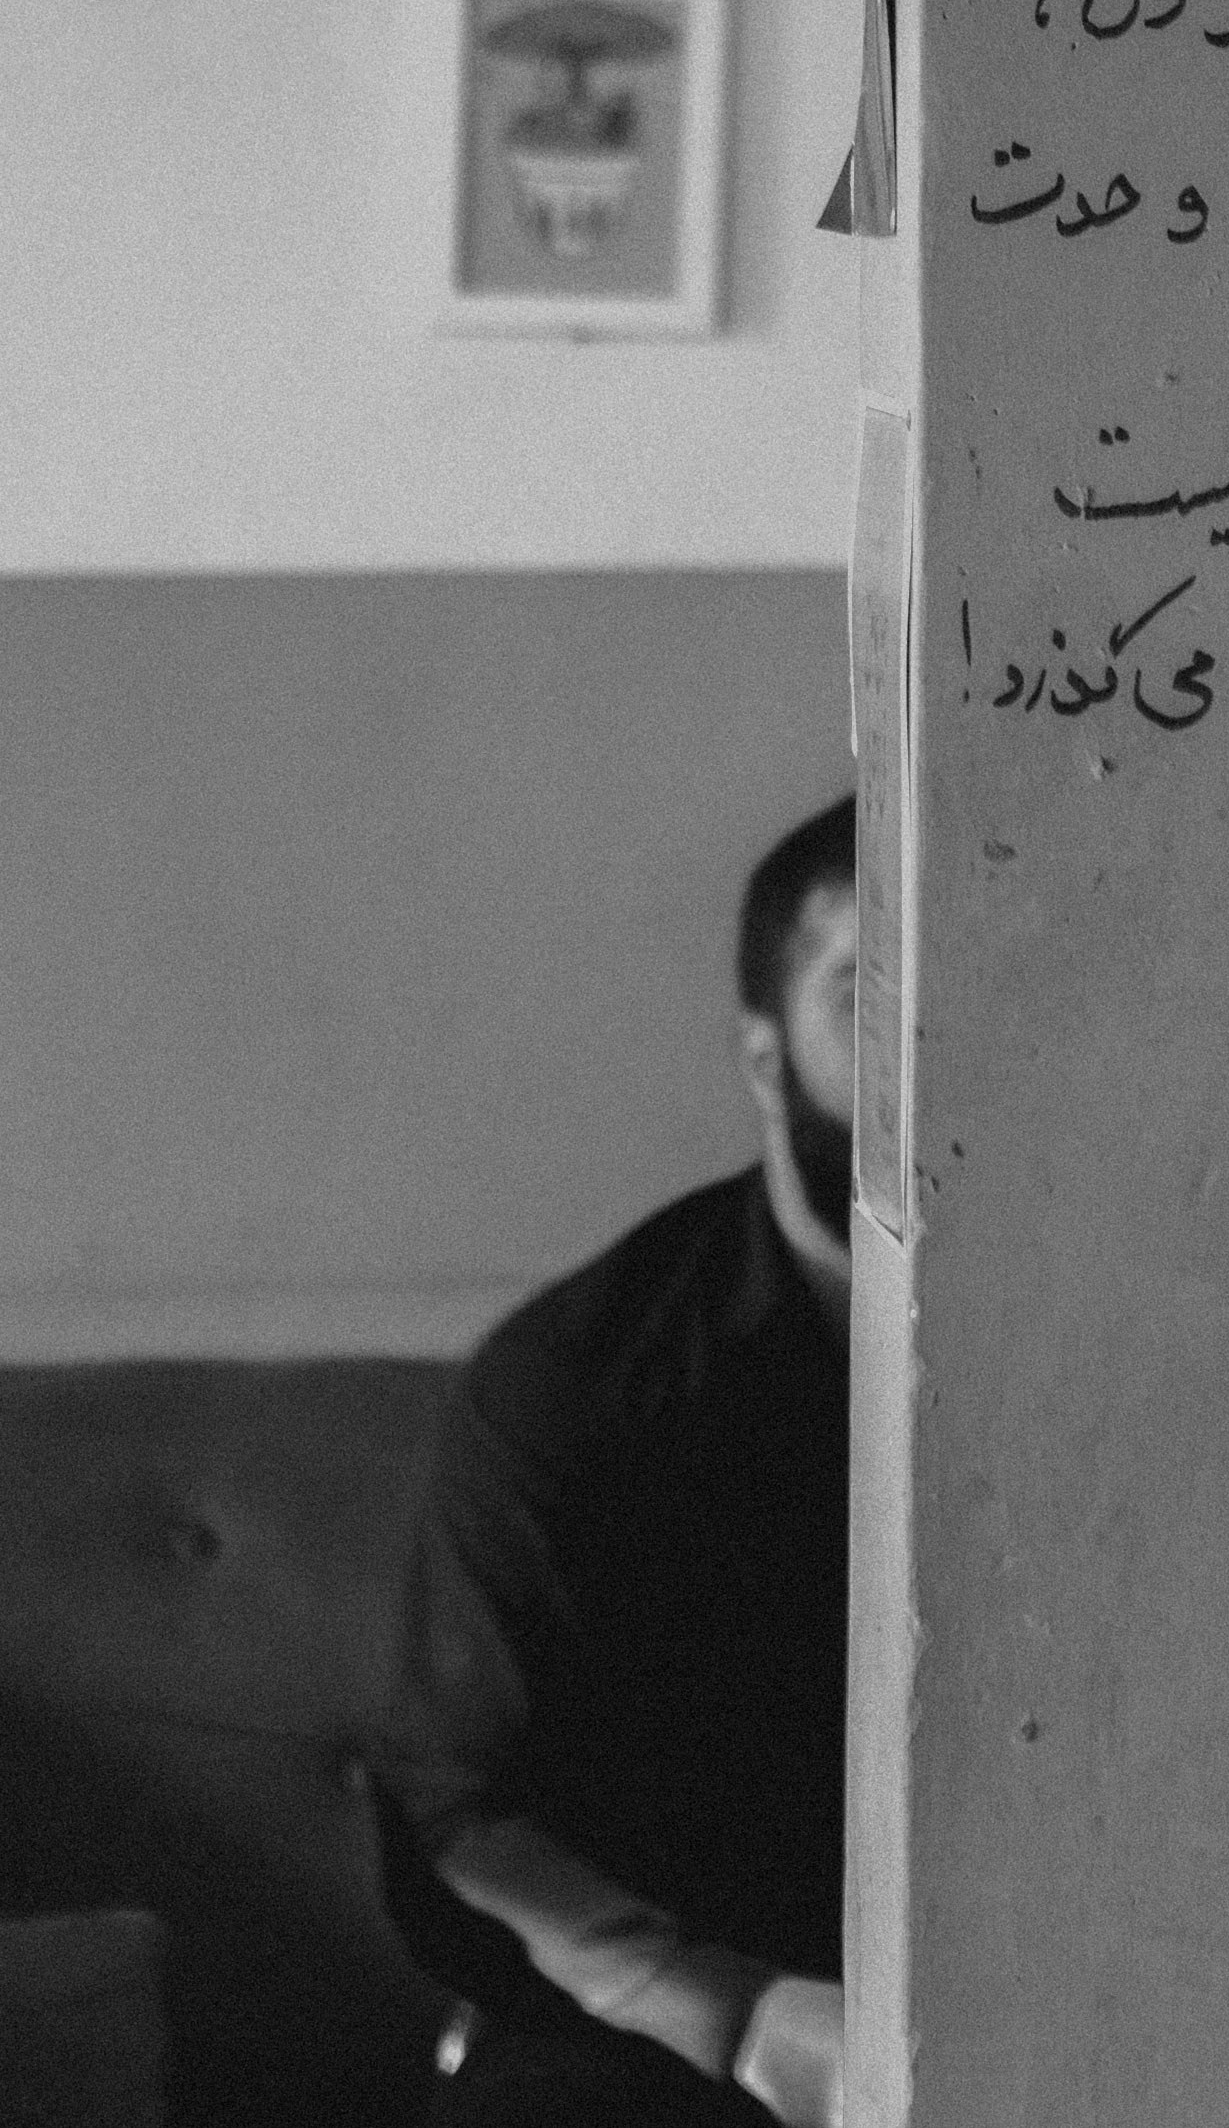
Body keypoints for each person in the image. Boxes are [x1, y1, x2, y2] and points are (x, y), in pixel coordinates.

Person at [377, 800, 859, 2124]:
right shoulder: (579, 1388)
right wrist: (736, 2009)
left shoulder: (1157, 1354)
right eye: (867, 994)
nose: (934, 1046)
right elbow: (454, 1813)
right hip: (679, 2039)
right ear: (764, 1060)